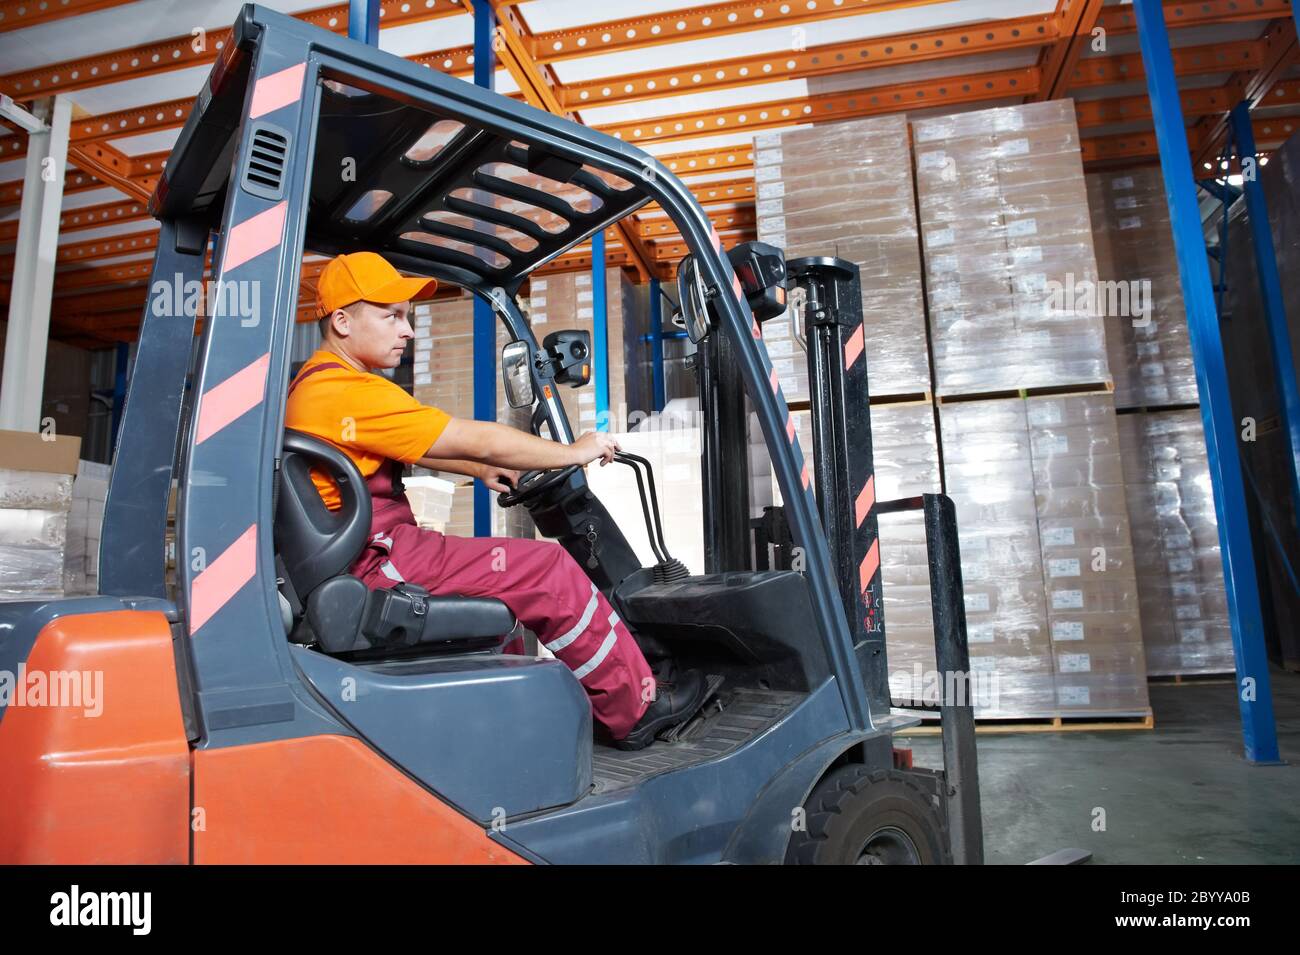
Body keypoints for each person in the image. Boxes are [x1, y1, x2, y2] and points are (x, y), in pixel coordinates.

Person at [284, 252, 705, 750]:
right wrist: (572, 451)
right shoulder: (343, 390)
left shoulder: (323, 383)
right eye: (391, 315)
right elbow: (470, 436)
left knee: (505, 586)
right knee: (545, 568)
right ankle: (635, 707)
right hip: (378, 558)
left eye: (408, 318)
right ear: (342, 321)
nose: (408, 331)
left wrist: (480, 470)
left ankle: (521, 720)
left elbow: (420, 447)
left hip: (374, 550)